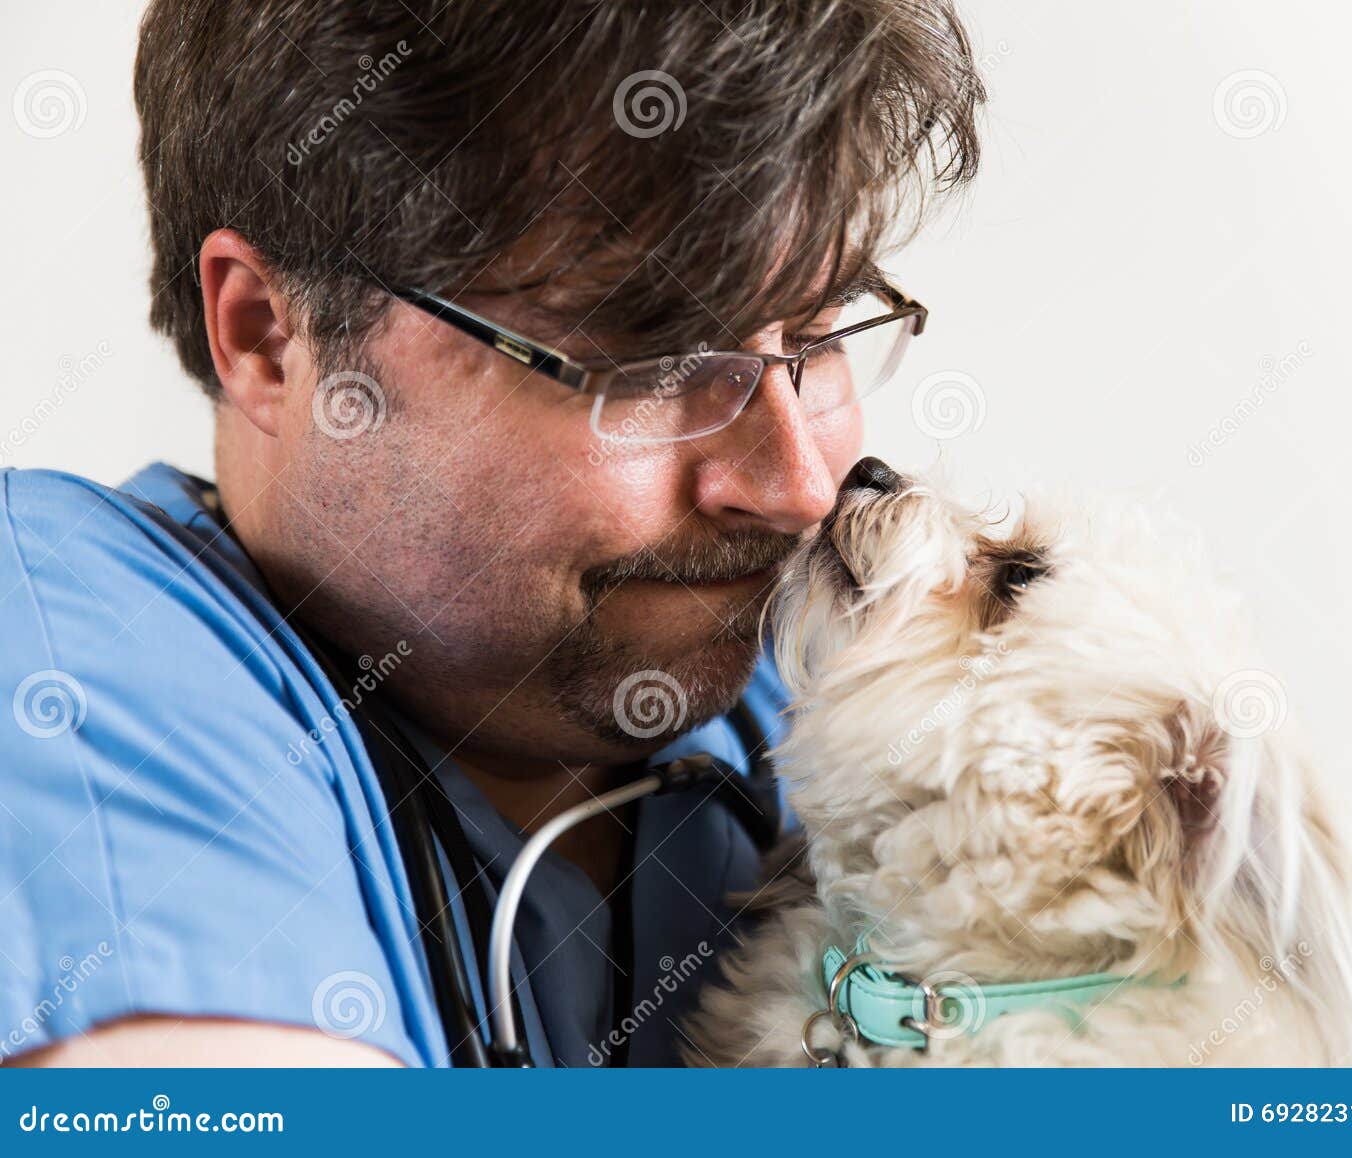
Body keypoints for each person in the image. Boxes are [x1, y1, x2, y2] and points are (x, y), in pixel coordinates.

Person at [0, 0, 982, 1066]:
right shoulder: (66, 650)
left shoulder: (830, 697)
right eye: (647, 363)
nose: (798, 489)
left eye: (821, 331)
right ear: (268, 336)